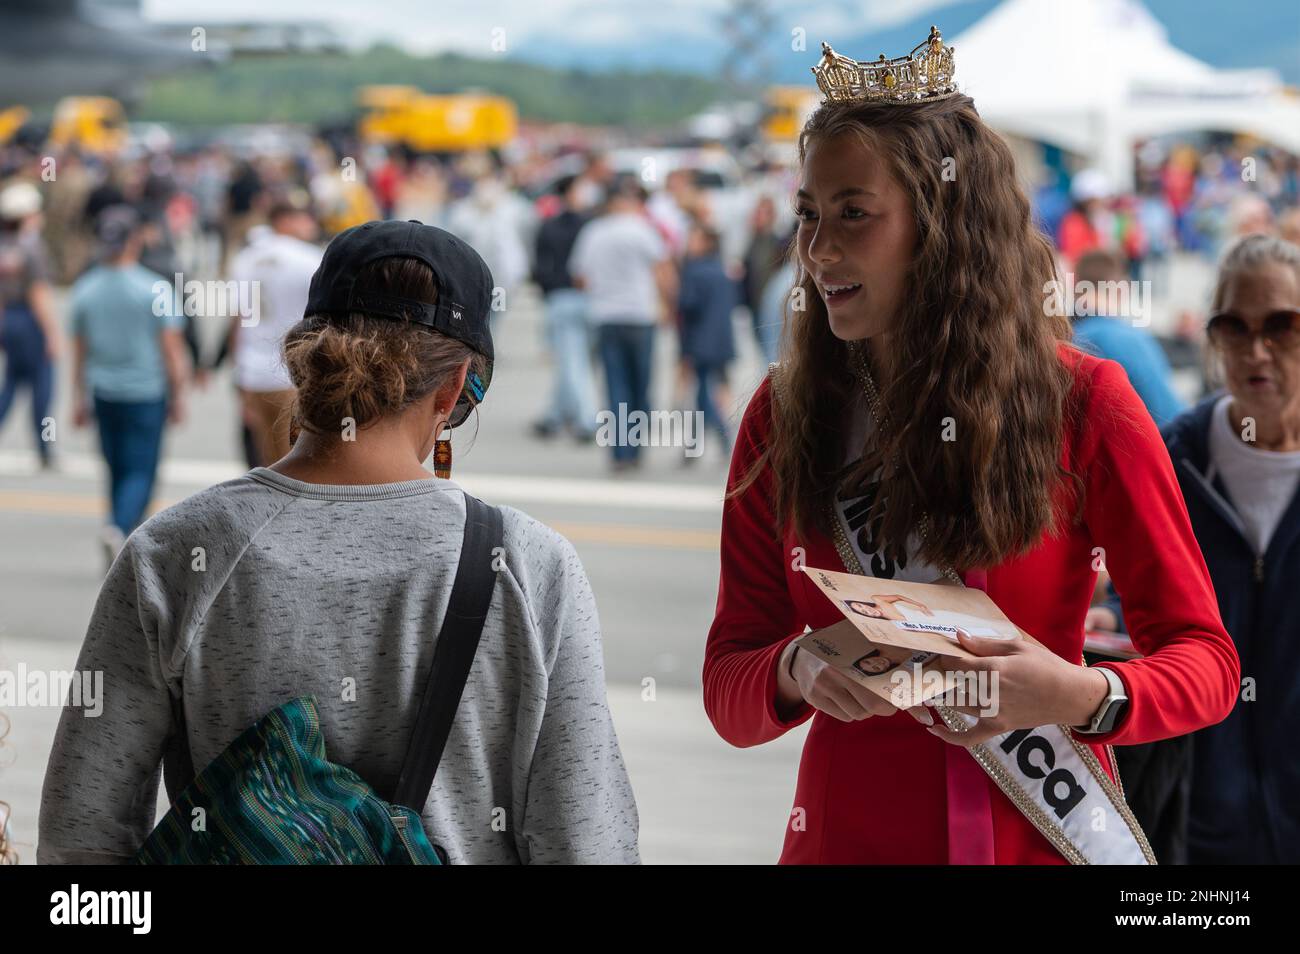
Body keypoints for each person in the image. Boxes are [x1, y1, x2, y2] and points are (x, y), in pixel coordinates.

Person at [703, 32, 1240, 865]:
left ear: (945, 221)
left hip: (1044, 836)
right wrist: (797, 668)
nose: (817, 249)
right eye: (810, 214)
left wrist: (1082, 694)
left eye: (854, 212)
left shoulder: (1085, 405)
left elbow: (1206, 663)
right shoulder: (785, 415)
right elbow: (728, 685)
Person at [39, 220, 639, 865]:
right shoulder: (529, 565)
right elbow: (584, 839)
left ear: (302, 360)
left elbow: (83, 833)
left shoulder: (174, 553)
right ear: (456, 387)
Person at [1160, 234, 1300, 863]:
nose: (1258, 350)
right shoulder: (1176, 458)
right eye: (1234, 328)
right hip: (1202, 810)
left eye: (1282, 326)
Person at [68, 205, 190, 566]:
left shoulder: (85, 288)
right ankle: (120, 528)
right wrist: (178, 393)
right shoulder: (154, 288)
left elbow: (79, 352)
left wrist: (77, 397)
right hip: (145, 391)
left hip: (103, 391)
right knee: (141, 469)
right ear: (134, 241)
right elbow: (171, 350)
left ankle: (117, 530)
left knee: (116, 465)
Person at [569, 177, 674, 472]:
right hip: (640, 316)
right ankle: (636, 446)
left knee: (616, 386)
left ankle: (620, 452)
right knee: (641, 385)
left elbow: (580, 278)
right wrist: (668, 305)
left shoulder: (593, 232)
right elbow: (663, 271)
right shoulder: (643, 231)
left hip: (606, 317)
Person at [226, 196, 324, 466]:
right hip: (293, 374)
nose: (310, 223)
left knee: (263, 464)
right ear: (284, 220)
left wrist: (238, 373)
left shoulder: (246, 258)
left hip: (252, 372)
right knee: (295, 464)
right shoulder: (310, 258)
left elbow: (237, 321)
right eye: (304, 217)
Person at [1070, 249, 1185, 427]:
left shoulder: (1070, 337)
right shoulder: (1127, 337)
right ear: (1120, 289)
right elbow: (1168, 412)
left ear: (1076, 284)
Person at [0, 182, 63, 469]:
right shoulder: (31, 246)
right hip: (28, 318)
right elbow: (38, 294)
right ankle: (44, 449)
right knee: (42, 386)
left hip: (9, 318)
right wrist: (52, 333)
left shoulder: (5, 245)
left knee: (12, 384)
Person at [531, 175, 598, 441]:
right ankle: (574, 417)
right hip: (585, 298)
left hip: (559, 297)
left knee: (572, 360)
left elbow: (538, 266)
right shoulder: (591, 225)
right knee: (576, 360)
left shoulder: (549, 226)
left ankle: (563, 415)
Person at [677, 223, 737, 458]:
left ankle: (716, 439)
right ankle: (695, 447)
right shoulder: (722, 270)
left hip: (700, 341)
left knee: (703, 394)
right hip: (721, 340)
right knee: (705, 392)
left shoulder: (694, 271)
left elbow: (687, 305)